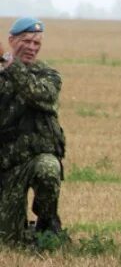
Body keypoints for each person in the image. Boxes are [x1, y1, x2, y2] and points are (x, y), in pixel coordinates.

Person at [0, 17, 66, 245]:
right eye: (26, 41)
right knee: (9, 241)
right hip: (7, 165)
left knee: (49, 169)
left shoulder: (48, 75)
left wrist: (11, 65)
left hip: (38, 158)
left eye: (37, 43)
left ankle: (47, 225)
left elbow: (40, 95)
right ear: (11, 40)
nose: (31, 48)